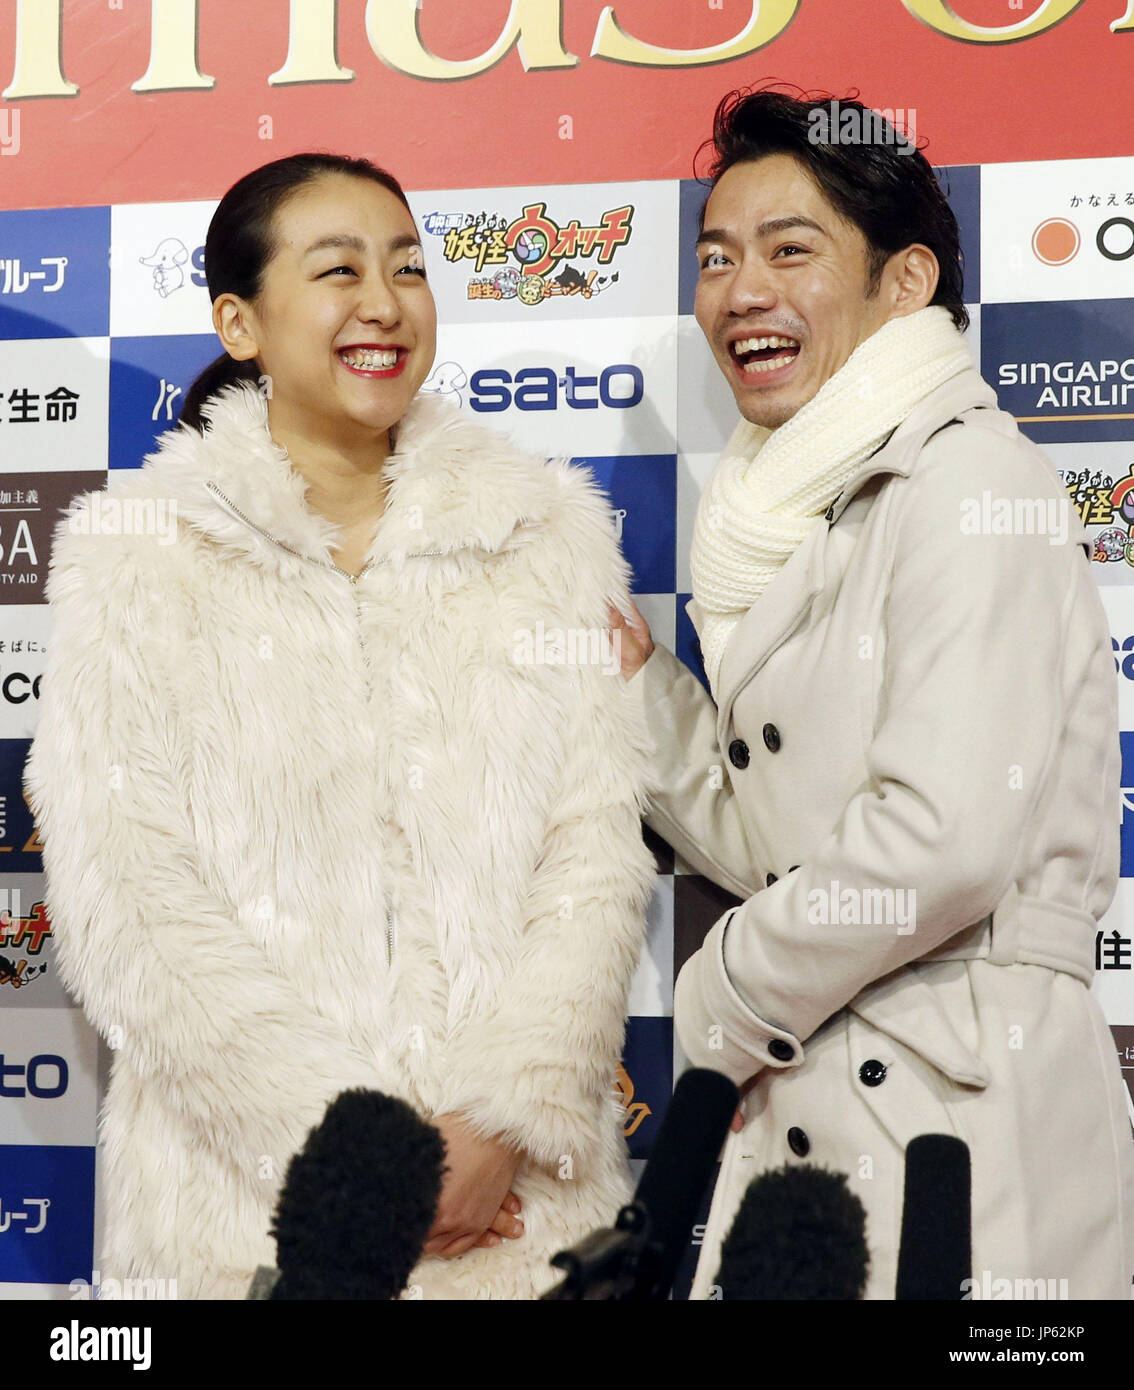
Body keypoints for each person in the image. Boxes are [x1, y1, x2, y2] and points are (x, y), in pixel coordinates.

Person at [23, 152, 656, 1301]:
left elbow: (597, 850)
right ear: (241, 320)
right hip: (243, 1210)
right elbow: (127, 895)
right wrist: (357, 1159)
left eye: (408, 267)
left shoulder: (544, 530)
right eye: (338, 270)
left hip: (515, 1214)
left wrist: (503, 1115)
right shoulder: (137, 553)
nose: (384, 301)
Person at [610, 89, 1134, 1299]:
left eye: (791, 250)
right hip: (818, 1107)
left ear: (905, 284)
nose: (743, 291)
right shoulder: (797, 510)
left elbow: (939, 842)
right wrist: (645, 699)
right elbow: (789, 845)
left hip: (965, 1114)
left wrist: (722, 992)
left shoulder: (964, 481)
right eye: (717, 257)